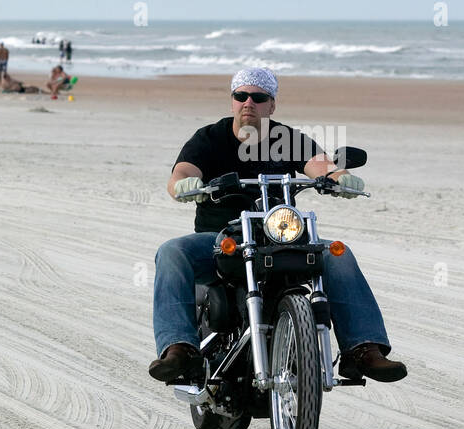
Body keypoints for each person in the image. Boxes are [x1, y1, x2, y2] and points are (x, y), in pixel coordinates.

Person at [149, 67, 406, 384]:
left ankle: (363, 350)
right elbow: (181, 172)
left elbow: (320, 166)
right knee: (172, 252)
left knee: (338, 254)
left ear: (271, 105)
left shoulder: (287, 139)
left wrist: (340, 179)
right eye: (241, 96)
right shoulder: (209, 138)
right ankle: (178, 348)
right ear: (232, 101)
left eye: (258, 97)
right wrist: (183, 185)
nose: (248, 103)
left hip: (280, 237)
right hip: (220, 239)